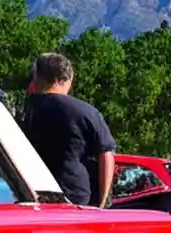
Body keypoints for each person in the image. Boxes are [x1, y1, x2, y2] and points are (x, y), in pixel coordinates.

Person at [20, 53, 116, 207]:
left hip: (31, 193)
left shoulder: (27, 111)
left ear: (39, 77)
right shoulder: (86, 112)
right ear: (66, 79)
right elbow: (106, 154)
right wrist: (102, 203)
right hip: (75, 196)